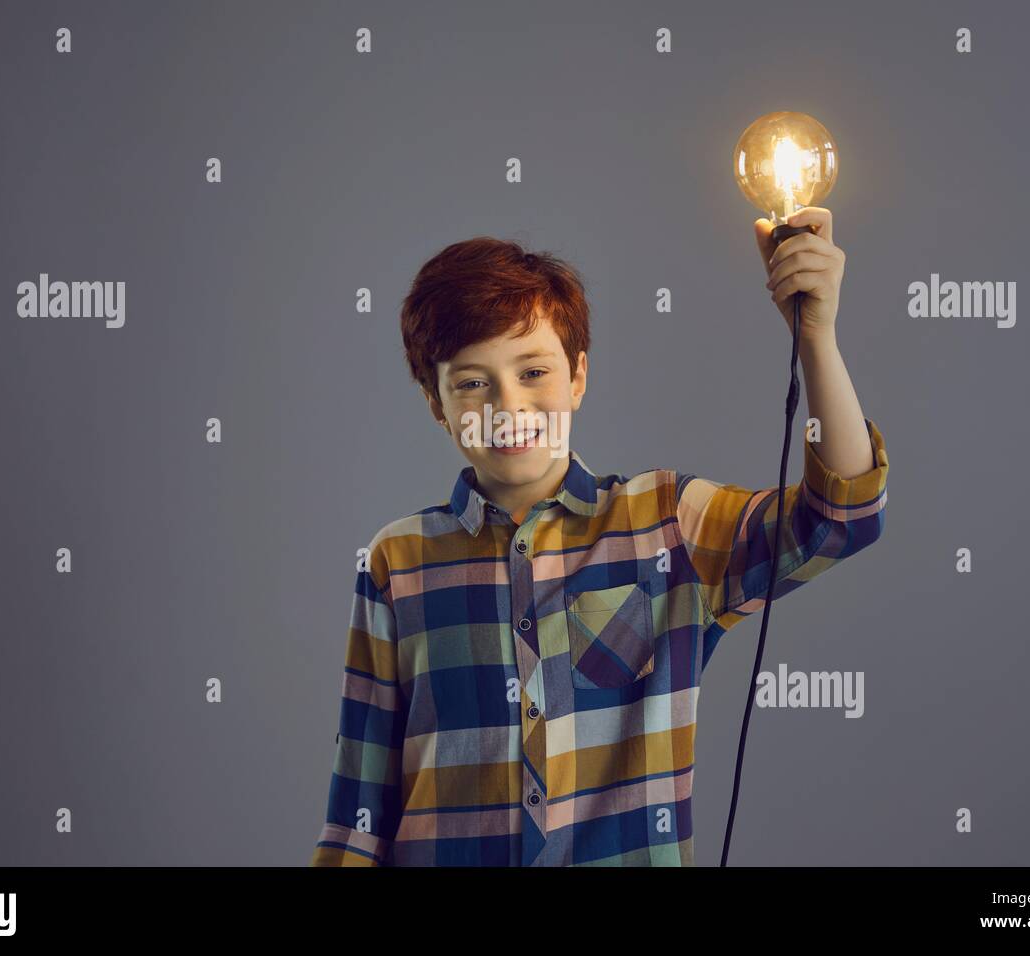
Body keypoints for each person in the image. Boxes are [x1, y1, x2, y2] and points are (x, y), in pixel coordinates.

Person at [311, 207, 889, 866]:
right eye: (472, 383)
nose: (509, 406)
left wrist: (815, 337)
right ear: (437, 406)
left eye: (533, 372)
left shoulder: (667, 523)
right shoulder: (397, 560)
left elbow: (843, 517)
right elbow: (356, 818)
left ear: (577, 376)